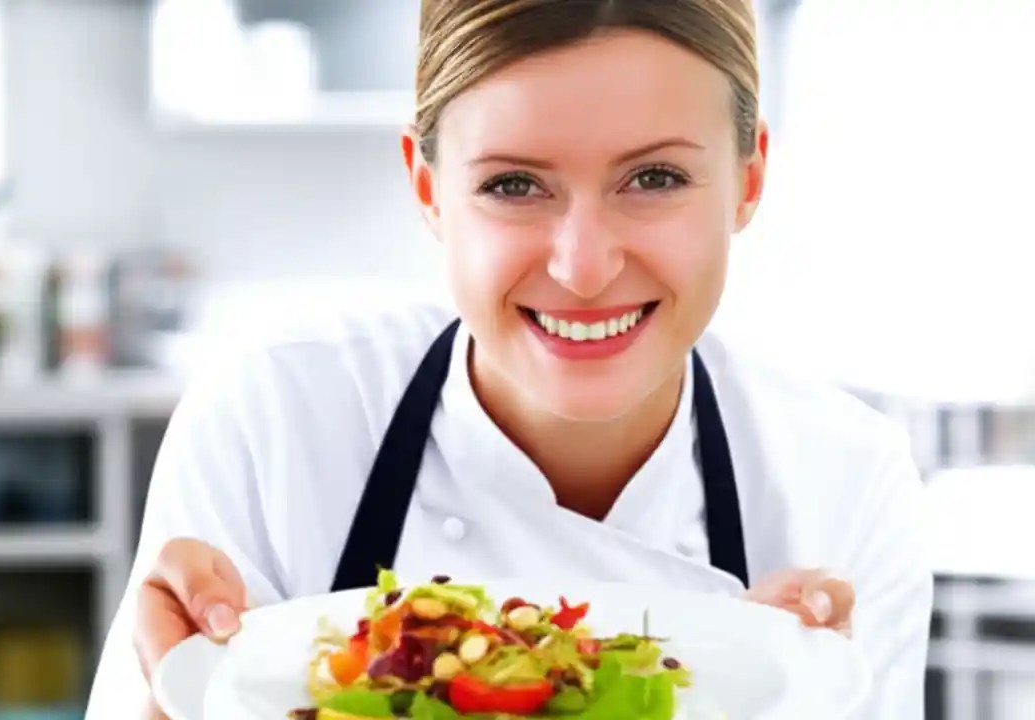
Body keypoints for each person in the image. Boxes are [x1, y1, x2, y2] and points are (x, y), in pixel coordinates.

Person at [88, 1, 932, 717]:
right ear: (428, 189)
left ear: (749, 180)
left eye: (656, 179)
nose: (584, 266)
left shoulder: (847, 482)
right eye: (514, 186)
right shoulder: (271, 423)